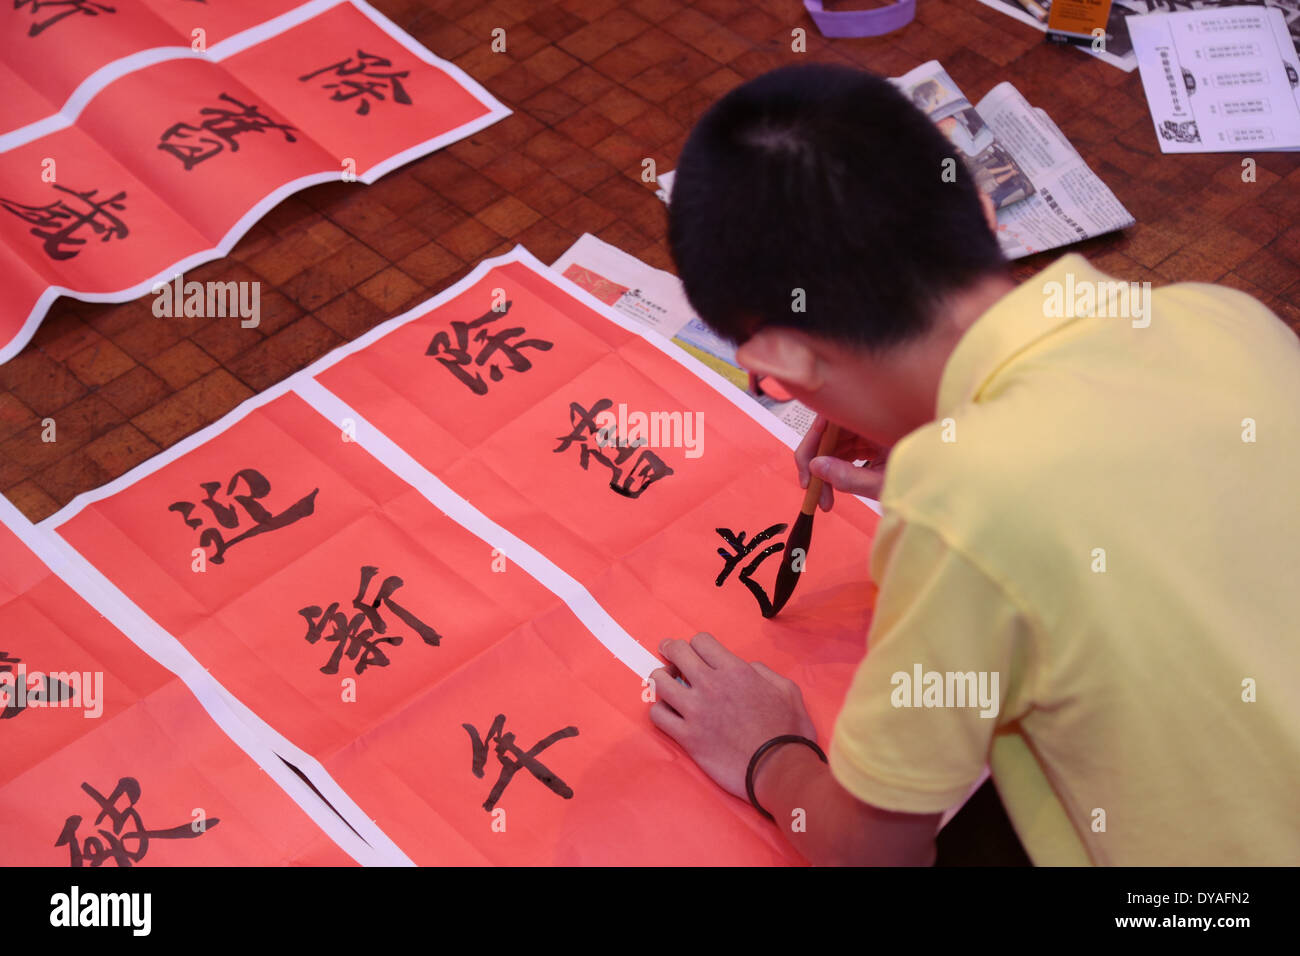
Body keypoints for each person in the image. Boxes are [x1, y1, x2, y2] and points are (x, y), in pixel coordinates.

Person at [656, 62, 1300, 865]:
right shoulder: (1224, 315)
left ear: (788, 357)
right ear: (985, 207)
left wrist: (770, 754)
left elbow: (876, 856)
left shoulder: (962, 509)